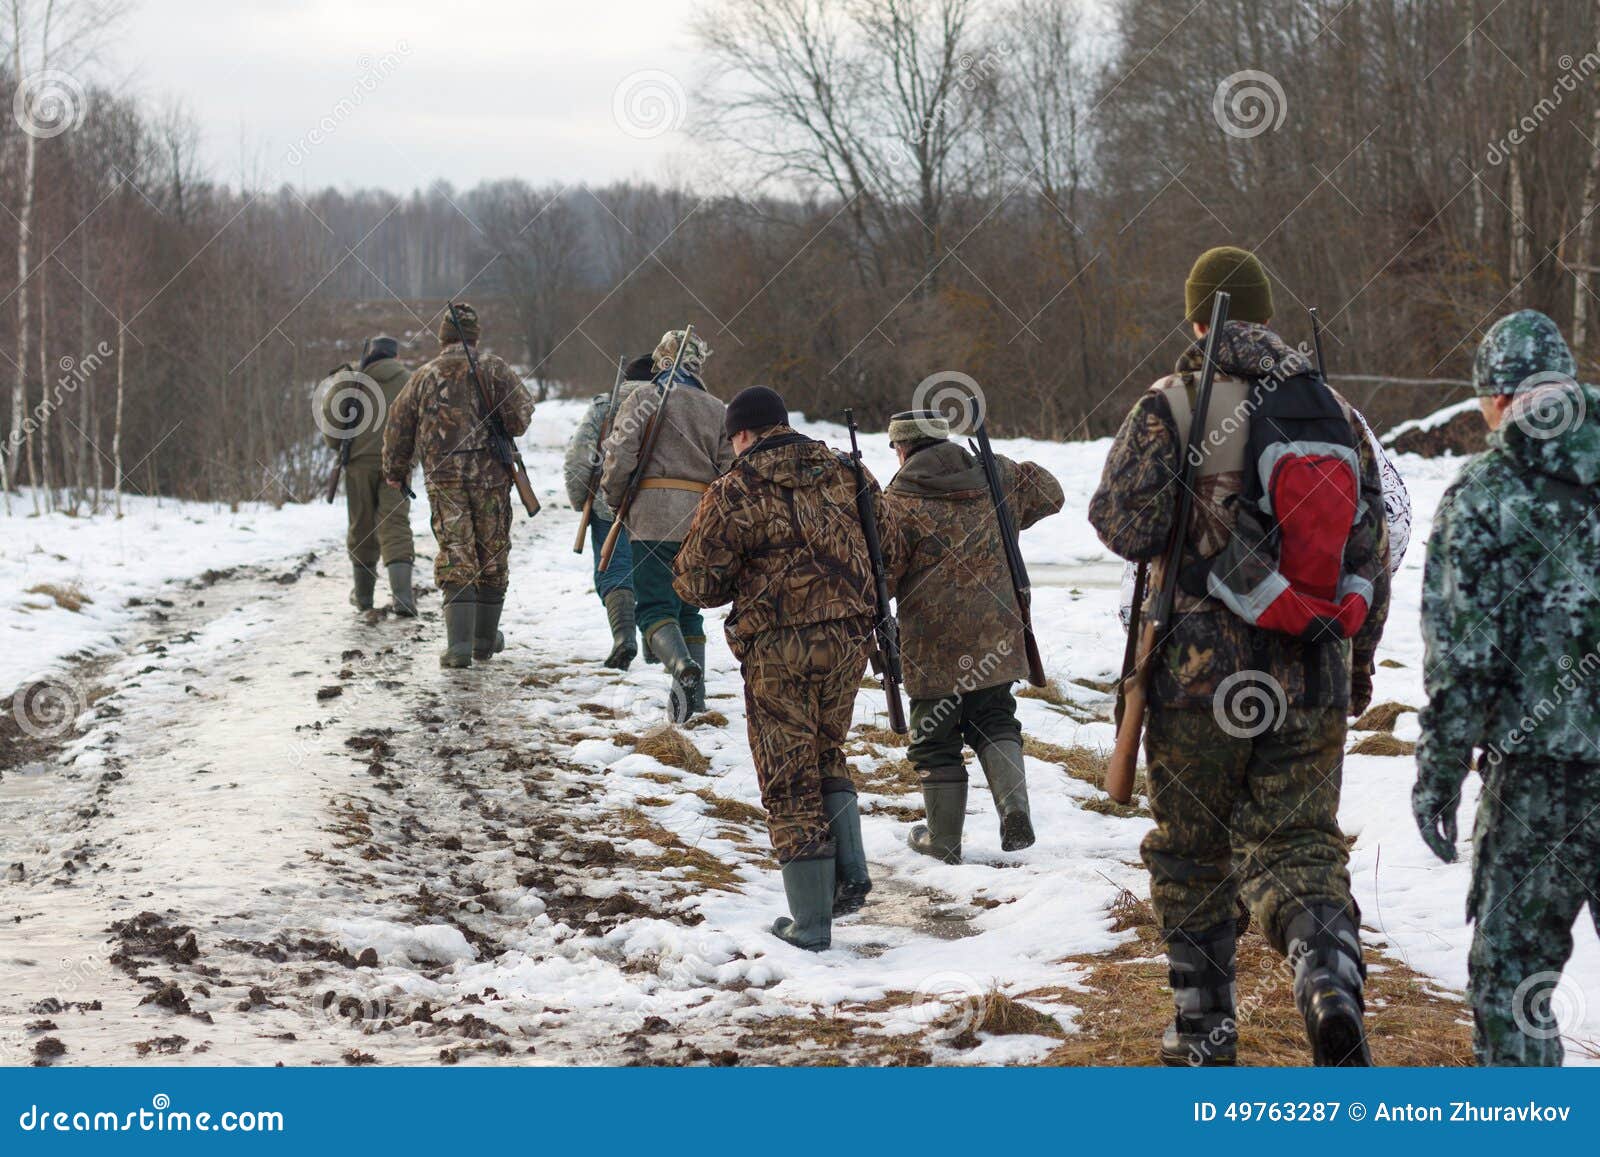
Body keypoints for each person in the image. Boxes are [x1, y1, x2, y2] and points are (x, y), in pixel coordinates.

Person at [1088, 246, 1390, 1067]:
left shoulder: (1175, 404)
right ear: (1267, 315)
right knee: (1300, 843)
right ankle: (1328, 977)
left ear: (1197, 318)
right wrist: (1354, 673)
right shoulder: (1334, 411)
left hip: (1199, 683)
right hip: (1312, 673)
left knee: (1192, 852)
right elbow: (1375, 548)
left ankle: (1204, 1038)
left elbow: (1120, 524)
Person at [1413, 309, 1600, 1066]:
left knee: (1511, 980)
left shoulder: (1484, 496)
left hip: (1539, 784)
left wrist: (1438, 775)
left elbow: (1464, 666)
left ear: (1495, 398)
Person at [674, 386, 887, 950]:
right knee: (825, 751)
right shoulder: (850, 473)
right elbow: (886, 546)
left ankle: (812, 925)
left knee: (788, 779)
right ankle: (850, 872)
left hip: (777, 651)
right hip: (850, 640)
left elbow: (698, 585)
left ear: (741, 435)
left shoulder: (735, 488)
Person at [881, 409, 1063, 861]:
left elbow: (881, 581)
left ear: (902, 449)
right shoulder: (996, 476)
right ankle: (1014, 809)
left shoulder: (897, 501)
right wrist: (1006, 471)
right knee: (995, 717)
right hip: (997, 636)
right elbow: (1052, 494)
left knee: (935, 739)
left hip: (932, 645)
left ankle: (943, 841)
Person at [382, 303, 534, 669]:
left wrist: (395, 469)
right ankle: (483, 642)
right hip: (491, 478)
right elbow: (522, 416)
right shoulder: (495, 369)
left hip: (444, 479)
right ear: (475, 335)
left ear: (443, 337)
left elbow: (398, 427)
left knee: (456, 550)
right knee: (492, 552)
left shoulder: (423, 376)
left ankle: (459, 647)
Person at [601, 329, 732, 720]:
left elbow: (619, 455)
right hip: (700, 519)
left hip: (653, 517)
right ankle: (691, 705)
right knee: (689, 610)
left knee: (655, 607)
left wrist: (614, 497)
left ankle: (681, 667)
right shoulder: (716, 408)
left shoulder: (643, 397)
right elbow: (729, 469)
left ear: (661, 358)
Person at [563, 354, 656, 669]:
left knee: (614, 573)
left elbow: (579, 458)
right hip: (663, 510)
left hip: (609, 505)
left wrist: (582, 503)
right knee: (658, 575)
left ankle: (623, 638)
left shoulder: (606, 408)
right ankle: (657, 646)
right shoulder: (672, 404)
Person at [320, 335, 416, 615]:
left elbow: (331, 426)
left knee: (361, 528)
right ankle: (403, 599)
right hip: (396, 466)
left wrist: (338, 445)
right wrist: (412, 457)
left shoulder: (351, 380)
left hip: (359, 465)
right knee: (395, 526)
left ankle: (363, 598)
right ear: (395, 357)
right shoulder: (410, 381)